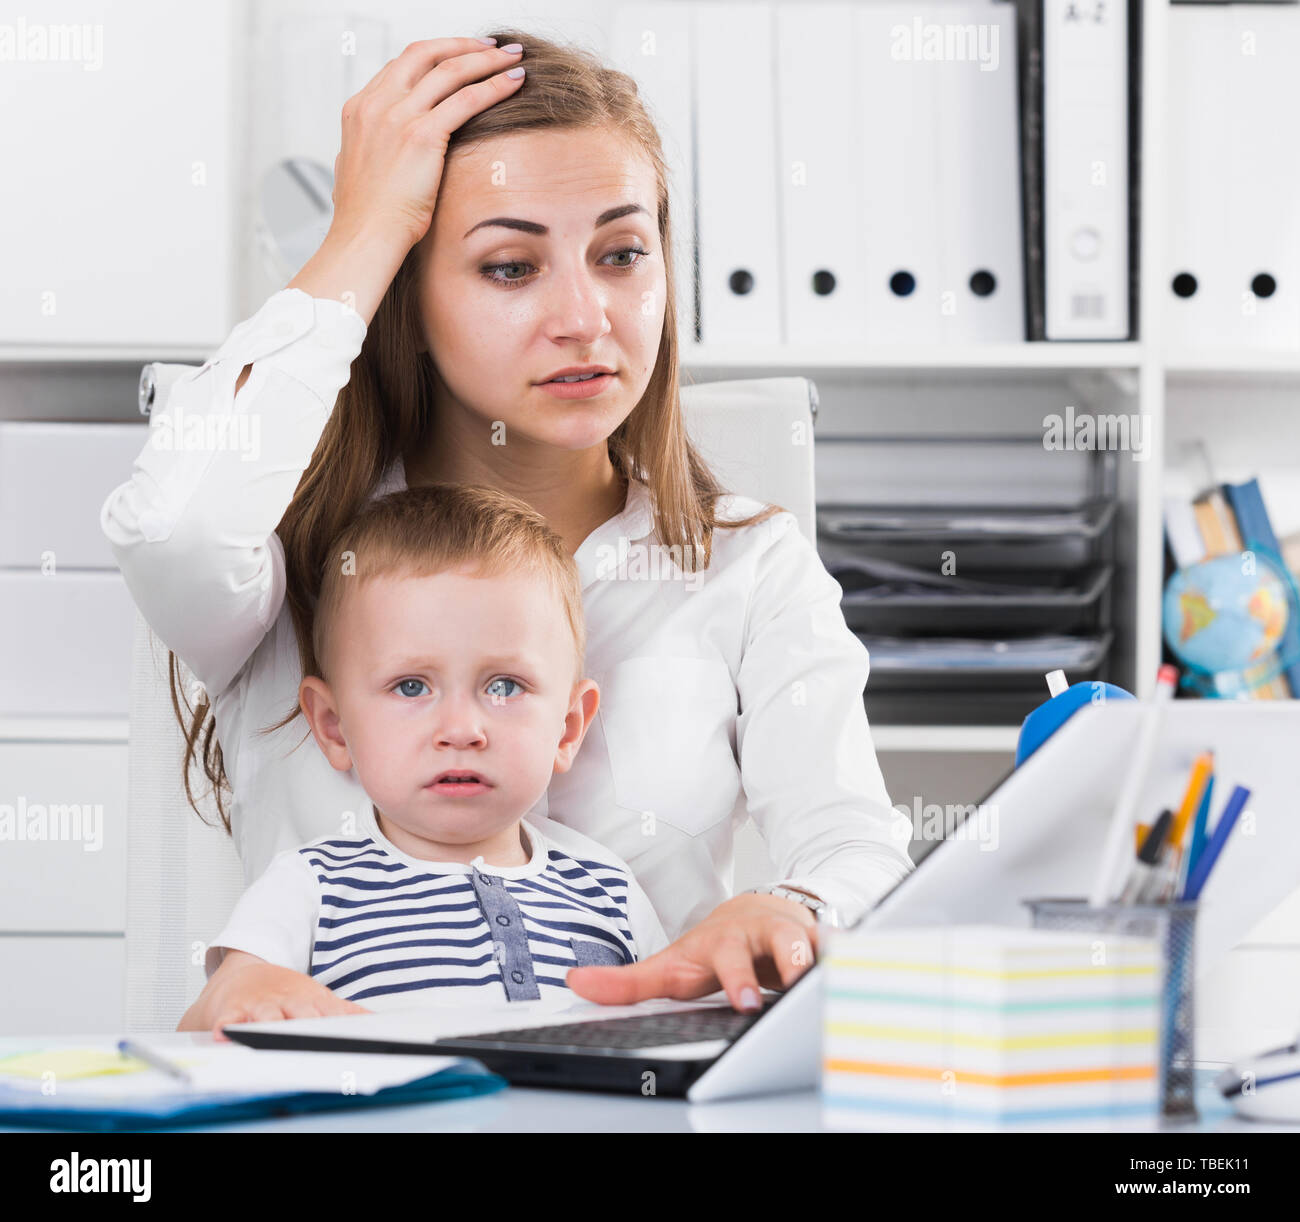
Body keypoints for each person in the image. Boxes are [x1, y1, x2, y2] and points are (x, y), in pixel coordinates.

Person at [101, 30, 913, 1021]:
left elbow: (857, 848)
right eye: (509, 266)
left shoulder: (746, 562)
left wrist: (785, 904)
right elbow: (174, 530)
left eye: (621, 254)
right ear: (407, 296)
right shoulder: (293, 548)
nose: (585, 316)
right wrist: (361, 233)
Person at [179, 484, 670, 1035]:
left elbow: (675, 1035)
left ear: (568, 727)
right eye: (411, 686)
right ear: (334, 726)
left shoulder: (609, 888)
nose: (461, 730)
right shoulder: (312, 886)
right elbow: (205, 1023)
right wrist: (242, 989)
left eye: (505, 686)